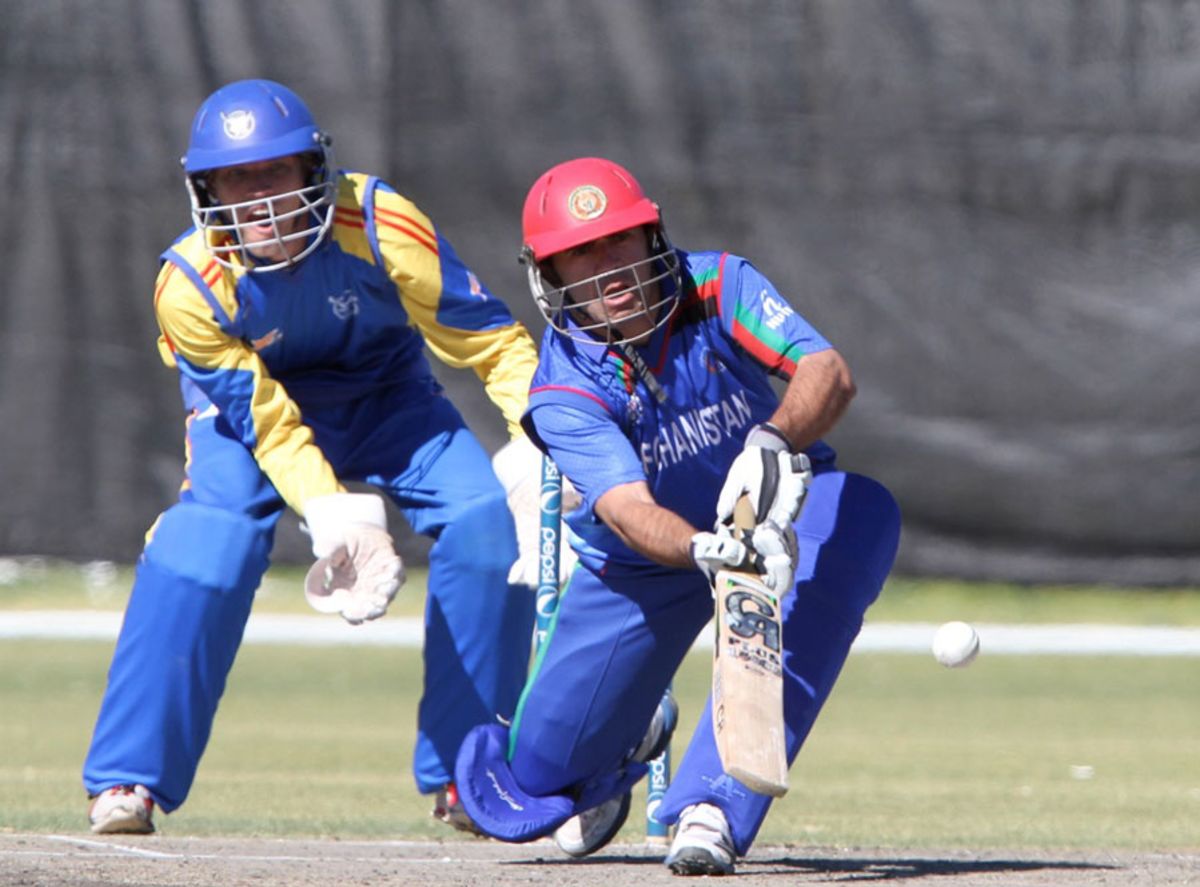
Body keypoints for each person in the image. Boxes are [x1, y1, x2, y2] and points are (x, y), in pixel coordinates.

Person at [82, 79, 549, 835]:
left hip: (387, 397)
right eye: (238, 179)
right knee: (209, 547)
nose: (262, 200)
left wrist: (540, 440)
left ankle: (471, 771)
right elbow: (266, 423)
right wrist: (332, 513)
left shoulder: (380, 220)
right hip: (254, 421)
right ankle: (128, 778)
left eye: (276, 173)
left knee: (489, 522)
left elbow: (487, 340)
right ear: (205, 188)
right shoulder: (191, 283)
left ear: (314, 170)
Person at [452, 157, 902, 876]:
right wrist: (705, 549)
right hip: (644, 563)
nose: (611, 269)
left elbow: (827, 371)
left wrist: (772, 442)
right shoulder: (561, 389)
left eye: (622, 240)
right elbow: (629, 512)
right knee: (533, 785)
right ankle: (629, 740)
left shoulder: (718, 284)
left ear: (653, 235)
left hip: (778, 516)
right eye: (582, 254)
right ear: (549, 275)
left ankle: (712, 805)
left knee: (861, 516)